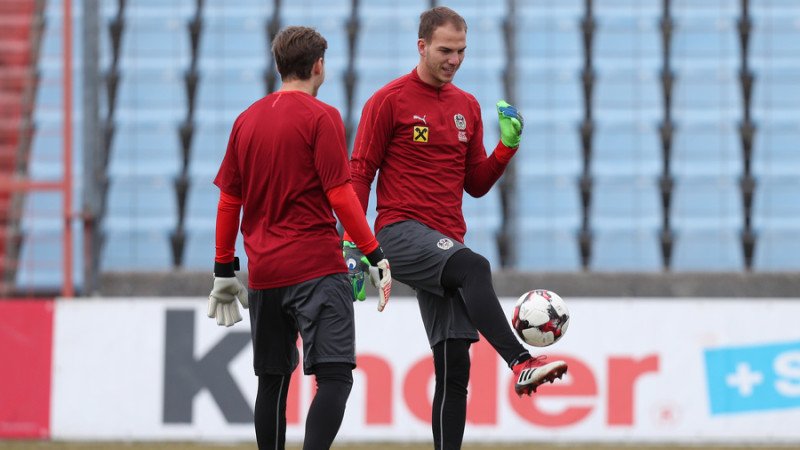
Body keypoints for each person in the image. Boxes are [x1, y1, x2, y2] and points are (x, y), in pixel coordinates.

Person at [345, 7, 568, 449]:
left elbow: (476, 184)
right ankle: (521, 361)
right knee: (475, 268)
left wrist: (507, 147)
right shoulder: (389, 100)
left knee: (454, 367)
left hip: (445, 243)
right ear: (422, 46)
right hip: (398, 232)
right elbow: (359, 172)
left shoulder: (466, 106)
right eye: (445, 50)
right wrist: (353, 242)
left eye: (462, 51)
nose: (454, 59)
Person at [208, 26, 392, 450]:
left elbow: (228, 201)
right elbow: (341, 195)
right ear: (318, 66)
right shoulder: (322, 116)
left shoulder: (246, 120)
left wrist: (224, 268)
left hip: (265, 274)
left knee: (272, 381)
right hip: (316, 269)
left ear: (278, 66)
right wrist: (374, 252)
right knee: (334, 377)